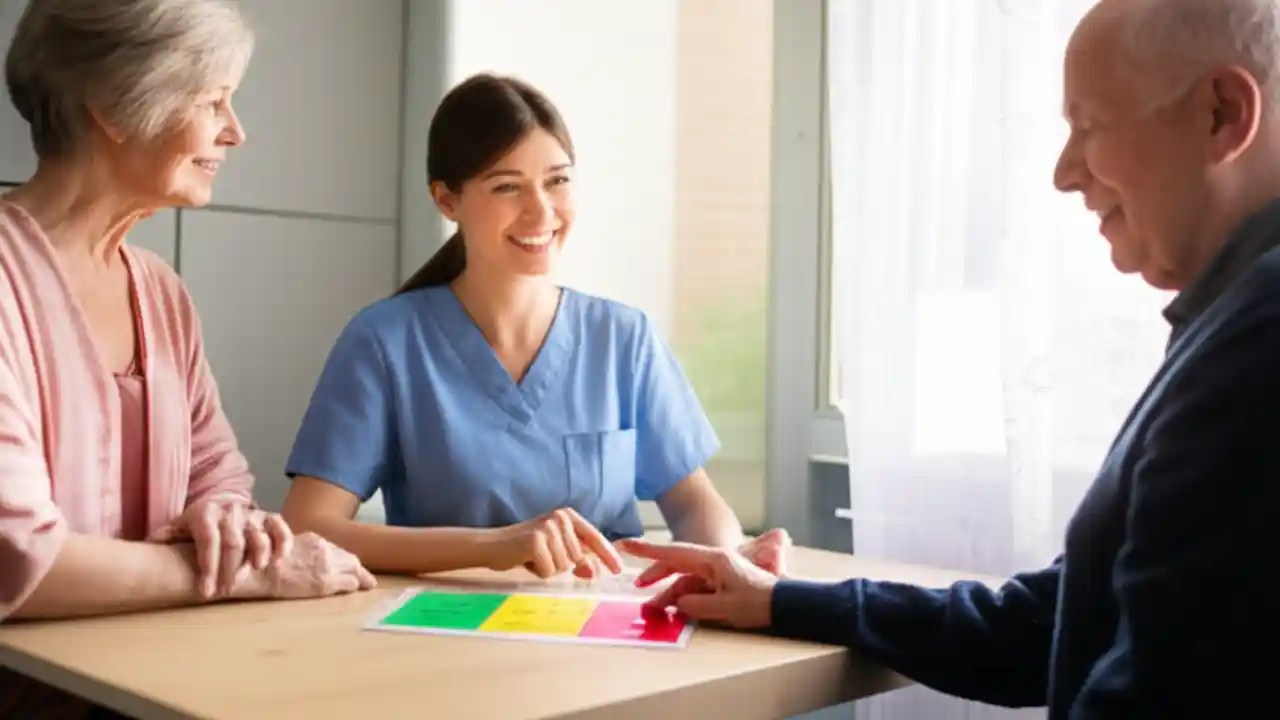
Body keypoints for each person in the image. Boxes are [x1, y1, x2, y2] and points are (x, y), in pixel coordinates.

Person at [622, 0, 1280, 717]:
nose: (1064, 173)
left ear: (1221, 114)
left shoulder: (1258, 345)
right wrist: (782, 601)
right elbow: (1055, 626)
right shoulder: (1229, 319)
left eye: (1089, 126)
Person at [281, 73, 786, 580]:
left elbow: (695, 504)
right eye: (507, 187)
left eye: (557, 181)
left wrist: (732, 561)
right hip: (442, 620)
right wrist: (493, 546)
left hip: (604, 619)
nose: (540, 211)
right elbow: (310, 525)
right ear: (447, 200)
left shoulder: (623, 339)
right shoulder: (384, 342)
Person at [0, 0, 377, 631]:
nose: (235, 132)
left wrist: (224, 518)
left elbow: (218, 475)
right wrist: (249, 575)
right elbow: (15, 555)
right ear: (113, 106)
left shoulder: (161, 293)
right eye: (212, 102)